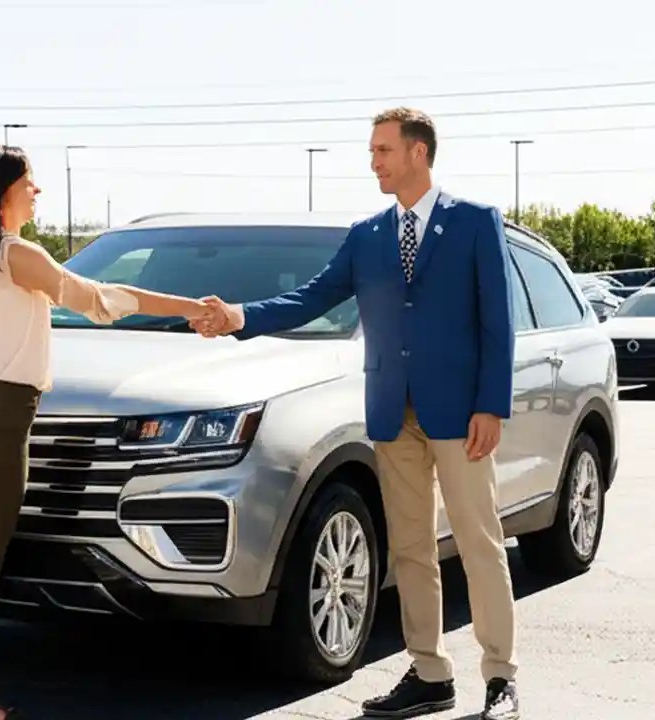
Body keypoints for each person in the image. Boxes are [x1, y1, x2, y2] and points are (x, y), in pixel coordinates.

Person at [192, 108, 521, 720]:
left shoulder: (476, 223)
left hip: (460, 415)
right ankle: (429, 673)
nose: (373, 161)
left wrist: (490, 404)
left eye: (382, 150)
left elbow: (497, 321)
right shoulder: (367, 234)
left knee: (479, 542)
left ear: (418, 153)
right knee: (412, 548)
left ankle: (500, 679)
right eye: (373, 151)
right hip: (392, 412)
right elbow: (312, 296)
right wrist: (240, 316)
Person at [0, 145, 211, 720]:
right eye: (29, 182)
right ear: (3, 194)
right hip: (2, 417)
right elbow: (97, 302)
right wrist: (188, 306)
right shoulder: (18, 254)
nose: (37, 191)